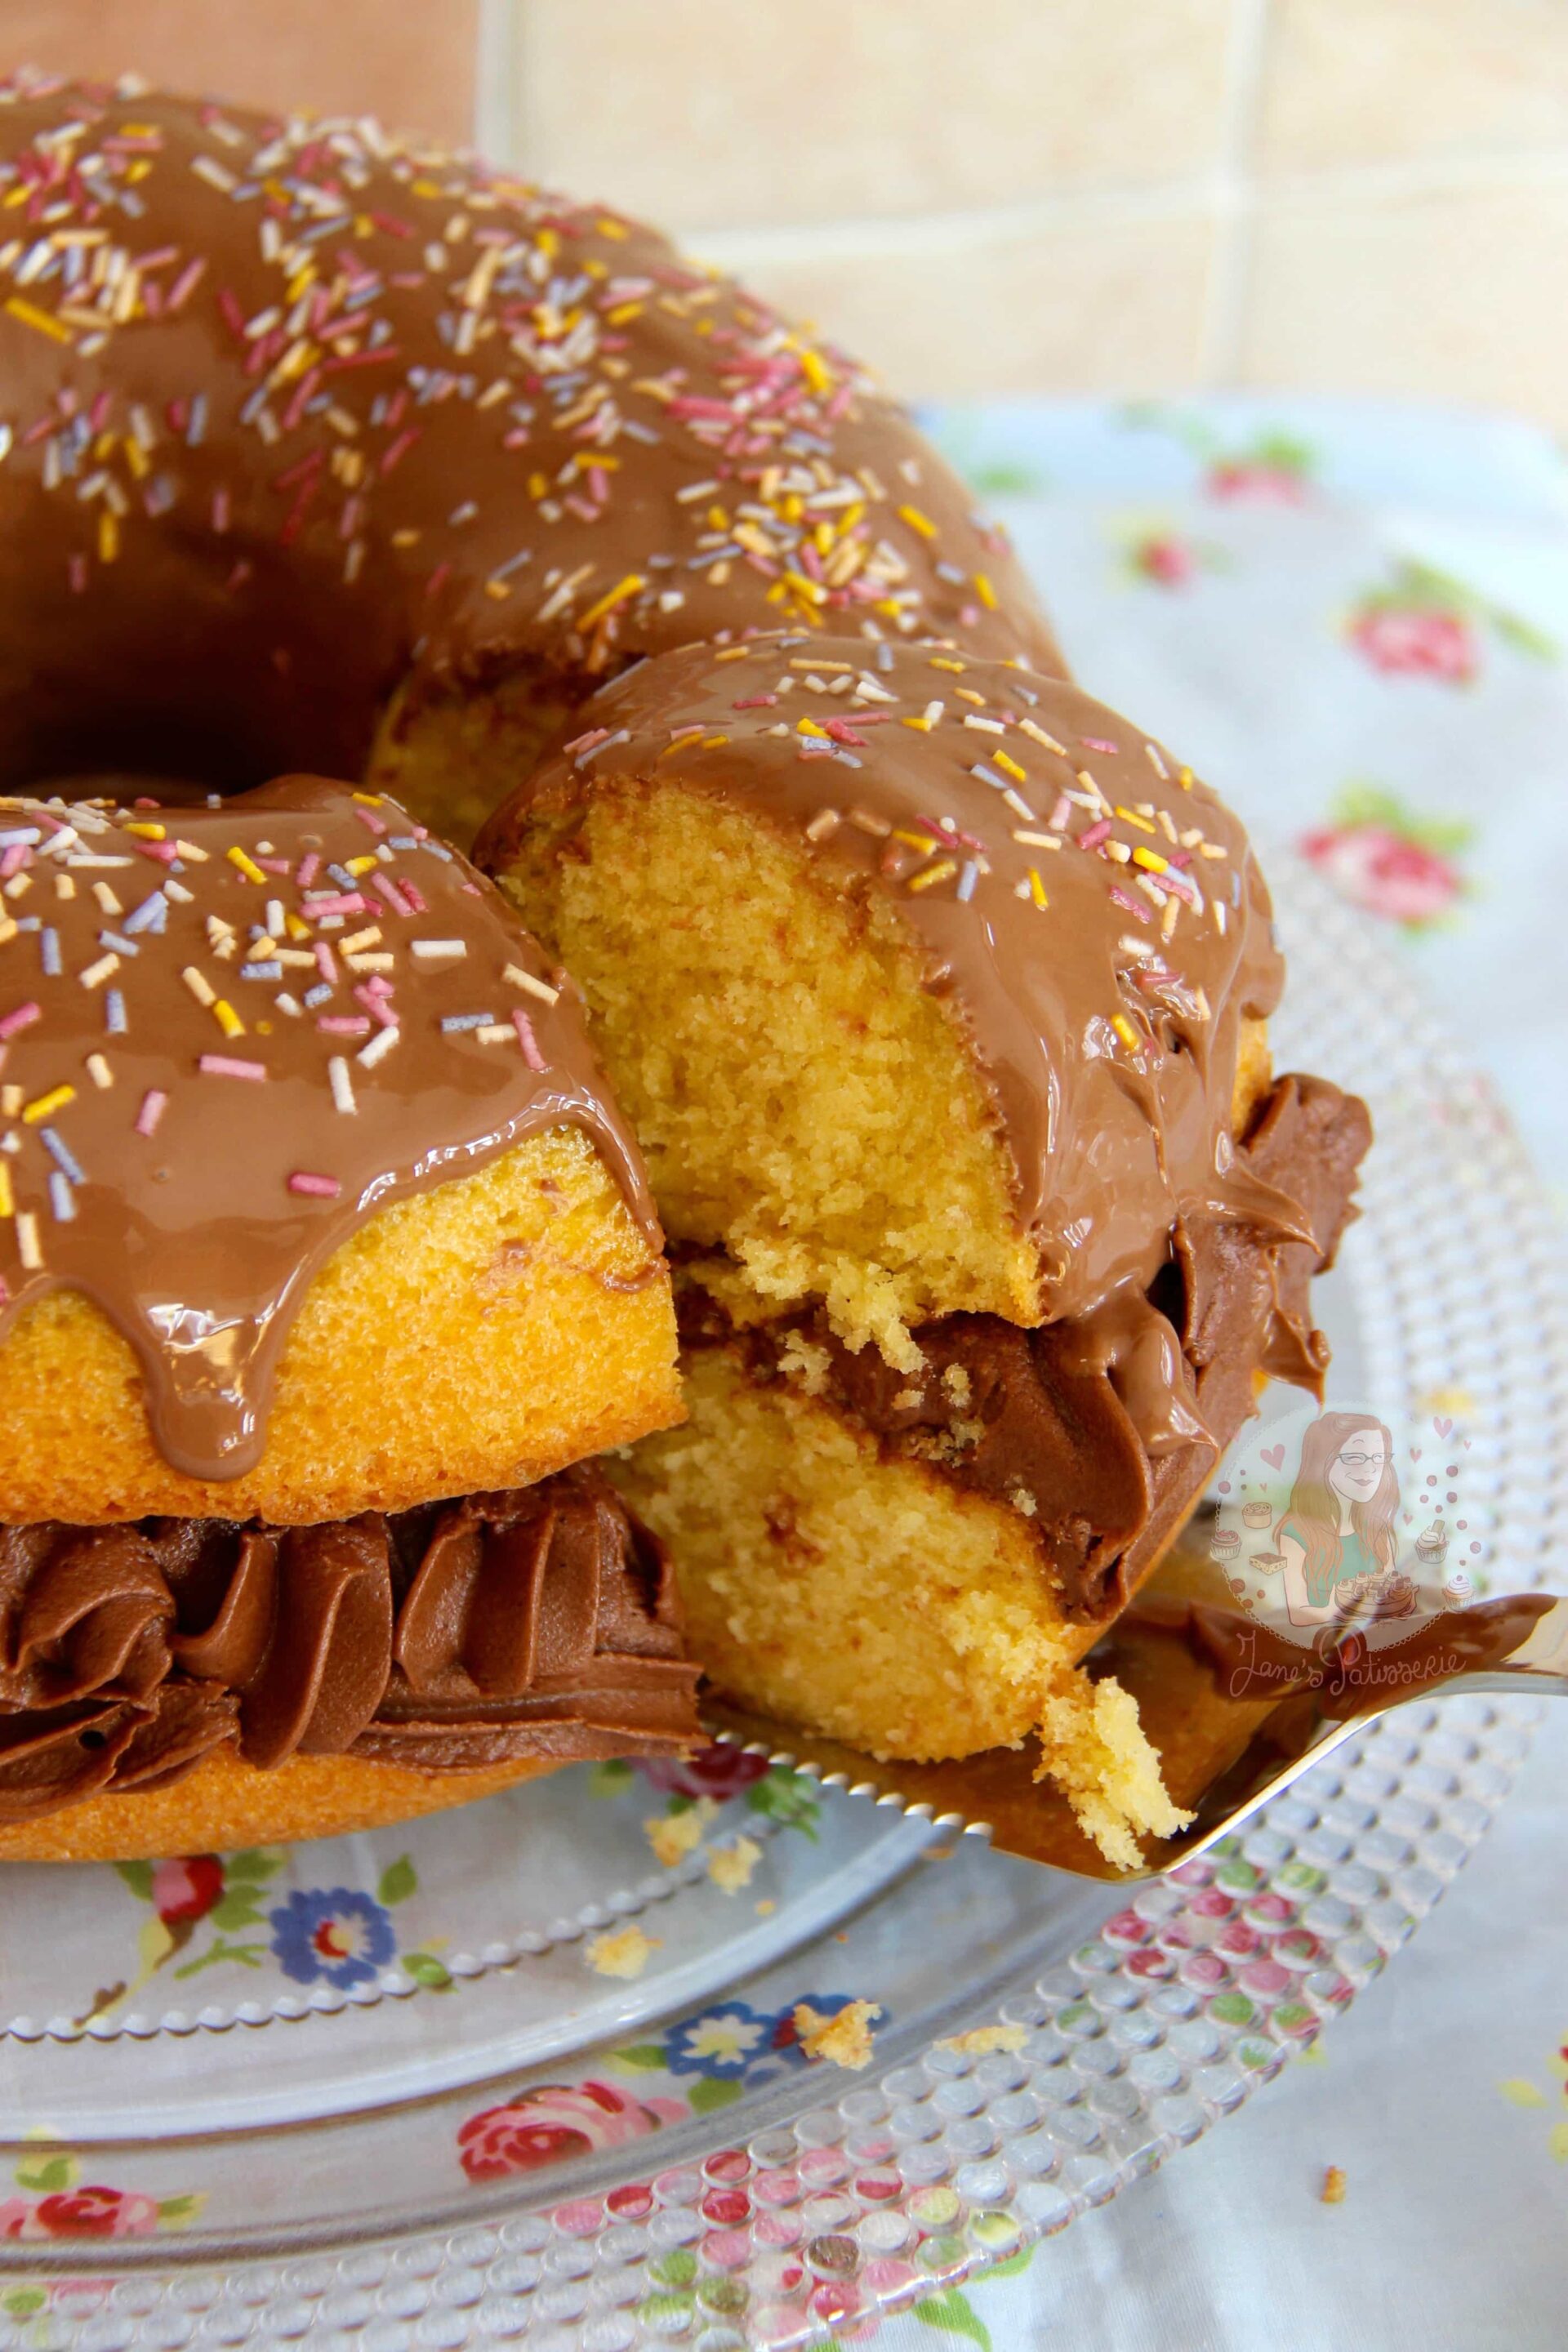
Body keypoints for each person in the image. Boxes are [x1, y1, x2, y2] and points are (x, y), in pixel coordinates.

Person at [1276, 1412, 1413, 1630]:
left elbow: (1389, 1600)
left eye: (1379, 1457)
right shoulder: (1296, 1533)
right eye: (1355, 1457)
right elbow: (1300, 1615)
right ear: (1323, 1460)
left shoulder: (1377, 1530)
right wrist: (1343, 1606)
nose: (1370, 1469)